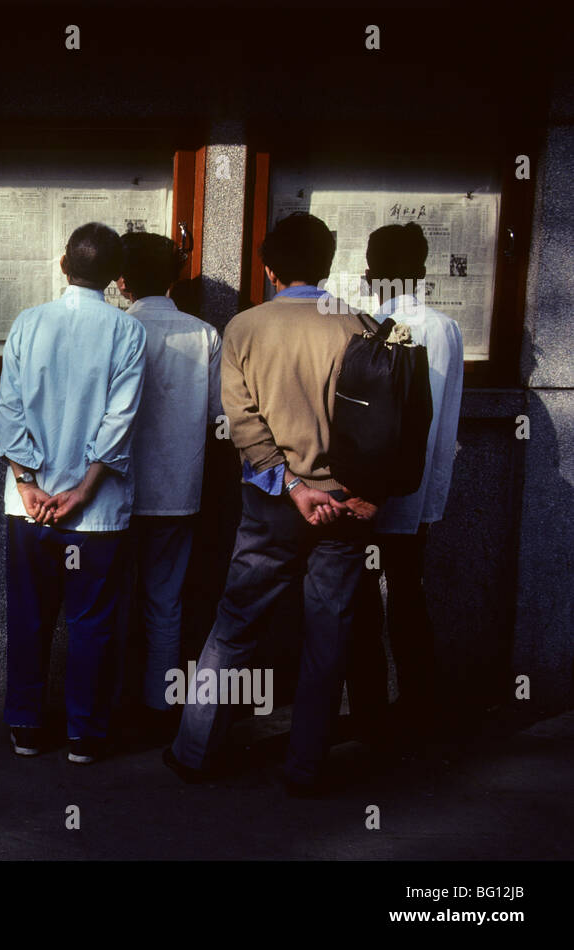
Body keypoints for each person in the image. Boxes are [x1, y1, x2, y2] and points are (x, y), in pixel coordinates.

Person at [165, 212, 377, 795]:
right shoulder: (361, 324)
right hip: (342, 506)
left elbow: (244, 423)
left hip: (272, 503)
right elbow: (384, 428)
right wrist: (354, 494)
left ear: (268, 268)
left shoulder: (244, 328)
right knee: (327, 635)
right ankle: (306, 766)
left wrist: (292, 485)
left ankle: (193, 751)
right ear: (328, 265)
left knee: (234, 626)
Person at [0, 222, 145, 765]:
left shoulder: (28, 323)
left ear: (64, 265)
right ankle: (86, 732)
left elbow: (9, 408)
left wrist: (27, 482)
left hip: (28, 510)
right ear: (115, 277)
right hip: (97, 511)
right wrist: (83, 490)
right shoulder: (128, 332)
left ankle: (26, 725)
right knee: (92, 622)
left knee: (30, 616)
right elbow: (120, 418)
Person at [347, 223, 464, 746]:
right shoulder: (449, 328)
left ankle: (370, 709)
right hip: (422, 492)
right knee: (410, 596)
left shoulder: (380, 326)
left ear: (372, 272)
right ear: (422, 270)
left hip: (376, 489)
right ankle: (421, 703)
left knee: (365, 601)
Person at [116, 232, 221, 741]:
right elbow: (221, 416)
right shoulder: (204, 334)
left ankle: (107, 702)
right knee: (166, 599)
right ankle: (160, 707)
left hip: (112, 492)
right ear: (174, 276)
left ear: (120, 280)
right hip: (180, 489)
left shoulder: (116, 330)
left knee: (109, 599)